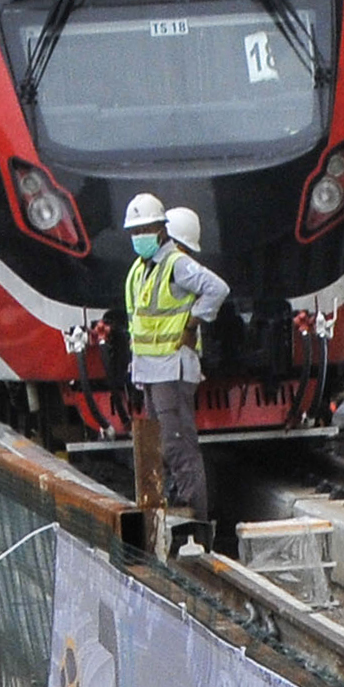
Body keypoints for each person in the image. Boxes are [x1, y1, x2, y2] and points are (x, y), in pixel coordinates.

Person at [124, 197, 229, 523]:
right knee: (159, 445)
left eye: (144, 229)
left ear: (160, 229)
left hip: (172, 369)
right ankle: (173, 509)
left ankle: (196, 521)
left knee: (178, 445)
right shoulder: (141, 269)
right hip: (150, 370)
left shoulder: (176, 264)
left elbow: (217, 289)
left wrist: (192, 324)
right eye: (134, 231)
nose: (139, 236)